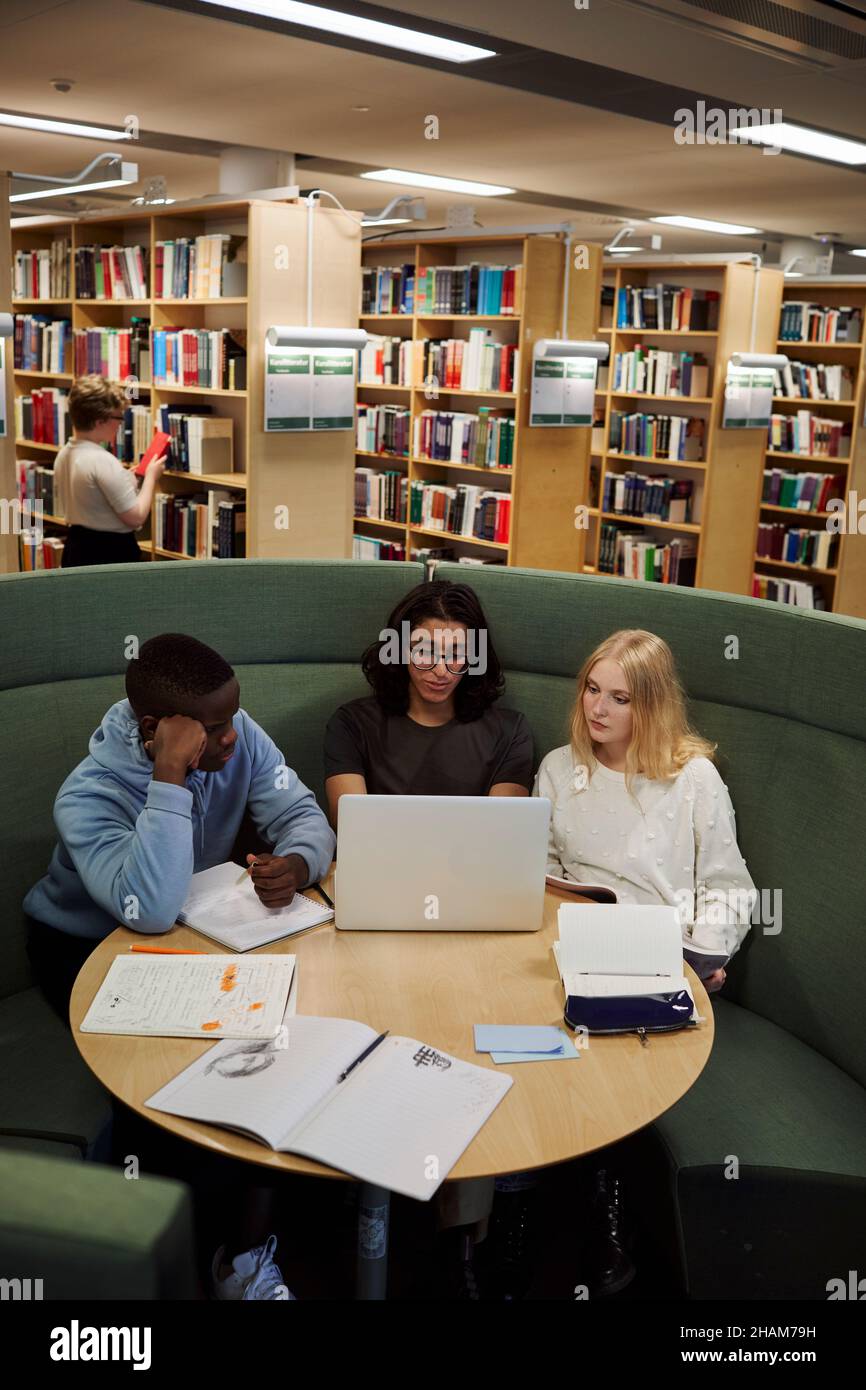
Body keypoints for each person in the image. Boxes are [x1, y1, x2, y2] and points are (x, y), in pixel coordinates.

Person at [24, 632, 336, 1299]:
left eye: (233, 719)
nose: (233, 741)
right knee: (160, 1080)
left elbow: (305, 813)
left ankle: (242, 1254)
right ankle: (165, 1262)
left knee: (272, 1047)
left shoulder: (240, 732)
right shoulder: (90, 794)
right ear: (154, 729)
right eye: (215, 730)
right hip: (82, 945)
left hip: (194, 937)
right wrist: (170, 778)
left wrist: (300, 862)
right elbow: (150, 907)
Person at [324, 579, 534, 1299]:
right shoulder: (352, 723)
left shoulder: (509, 732)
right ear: (399, 648)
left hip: (473, 928)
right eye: (424, 649)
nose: (440, 667)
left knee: (474, 1043)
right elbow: (357, 831)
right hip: (377, 922)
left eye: (455, 652)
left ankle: (465, 1238)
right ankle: (369, 1192)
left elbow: (495, 848)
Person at [534, 627, 756, 1295]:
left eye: (619, 697)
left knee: (608, 1053)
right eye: (592, 690)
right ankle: (517, 1212)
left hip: (660, 955)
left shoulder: (693, 779)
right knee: (528, 1039)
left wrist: (703, 954)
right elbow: (541, 868)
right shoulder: (557, 767)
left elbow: (730, 888)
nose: (597, 709)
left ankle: (603, 1216)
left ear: (651, 705)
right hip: (569, 946)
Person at [54, 374, 165, 567]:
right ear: (100, 421)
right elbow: (136, 517)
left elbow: (94, 498)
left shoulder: (65, 454)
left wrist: (125, 480)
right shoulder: (102, 460)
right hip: (108, 551)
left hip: (77, 547)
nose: (121, 423)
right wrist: (151, 478)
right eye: (118, 417)